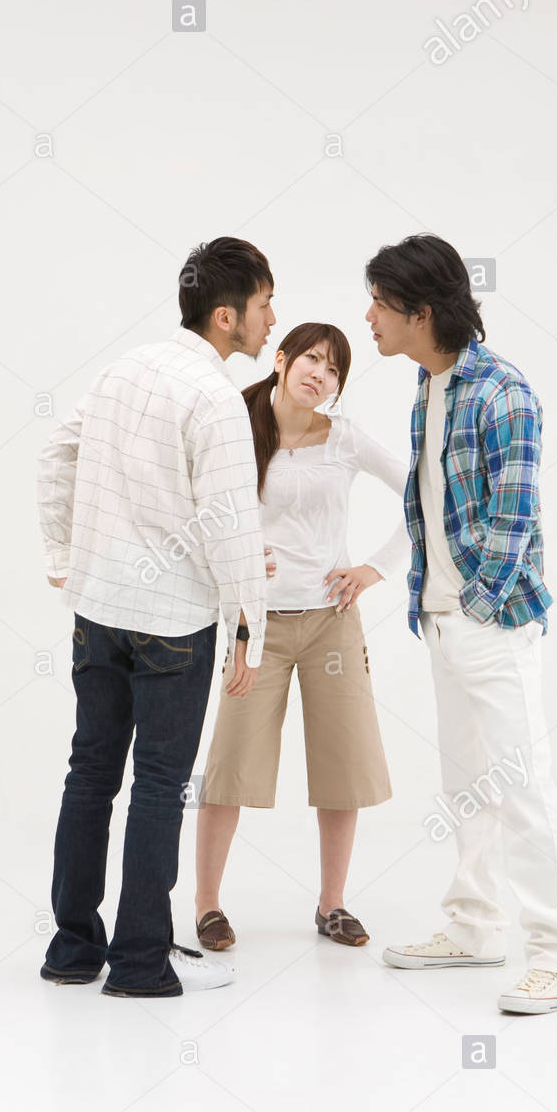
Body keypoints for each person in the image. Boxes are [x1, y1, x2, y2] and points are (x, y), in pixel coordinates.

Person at [36, 236, 276, 998]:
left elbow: (55, 456)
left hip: (98, 608)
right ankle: (141, 963)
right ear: (226, 315)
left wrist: (61, 555)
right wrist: (251, 629)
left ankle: (73, 951)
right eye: (266, 306)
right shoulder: (216, 400)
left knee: (90, 773)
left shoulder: (123, 368)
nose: (273, 322)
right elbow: (232, 523)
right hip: (173, 623)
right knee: (159, 783)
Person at [368, 234, 557, 1015]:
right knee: (466, 785)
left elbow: (514, 518)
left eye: (381, 305)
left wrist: (475, 610)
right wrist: (434, 609)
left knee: (520, 783)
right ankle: (474, 926)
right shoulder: (431, 387)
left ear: (420, 311)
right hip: (442, 620)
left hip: (488, 623)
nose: (369, 318)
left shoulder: (503, 392)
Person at [194, 322, 407, 951]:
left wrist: (374, 568)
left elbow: (422, 492)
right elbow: (199, 512)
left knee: (344, 766)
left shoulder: (345, 440)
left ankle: (332, 905)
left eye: (335, 369)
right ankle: (207, 906)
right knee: (231, 766)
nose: (322, 374)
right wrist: (232, 587)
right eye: (313, 358)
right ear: (282, 358)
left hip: (331, 623)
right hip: (255, 624)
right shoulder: (235, 426)